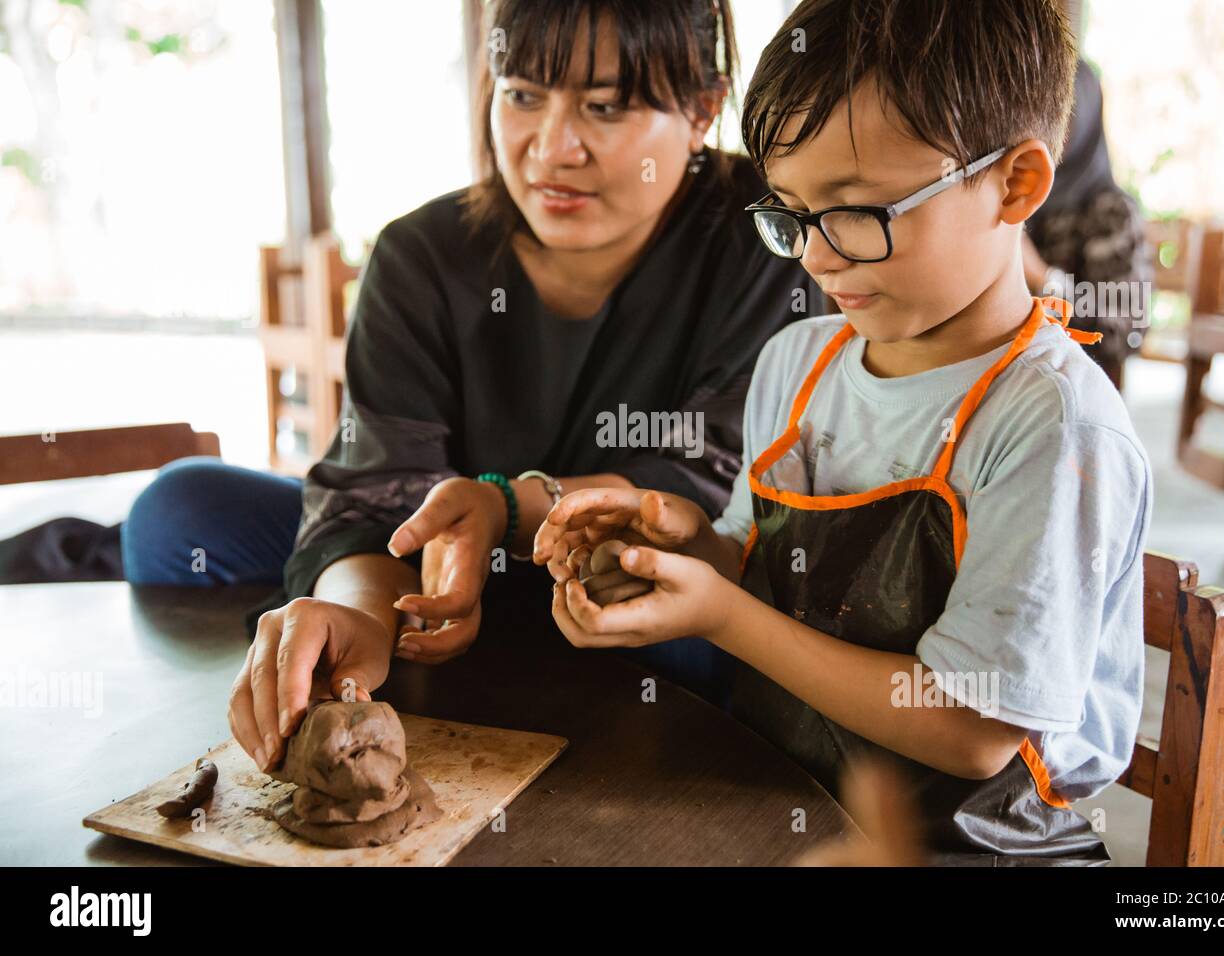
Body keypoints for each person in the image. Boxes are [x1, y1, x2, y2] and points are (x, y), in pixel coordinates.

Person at [119, 0, 825, 773]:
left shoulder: (768, 239)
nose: (552, 149)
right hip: (432, 571)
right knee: (179, 515)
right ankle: (383, 652)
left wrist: (500, 508)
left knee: (668, 600)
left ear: (702, 111)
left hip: (608, 569)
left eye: (605, 106)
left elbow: (707, 481)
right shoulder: (423, 254)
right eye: (522, 94)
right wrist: (360, 617)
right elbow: (378, 489)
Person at [533, 0, 1153, 864]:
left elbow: (973, 730)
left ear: (1015, 184)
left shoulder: (1050, 422)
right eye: (790, 211)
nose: (817, 256)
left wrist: (721, 618)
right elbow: (753, 564)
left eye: (858, 211)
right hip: (789, 803)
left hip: (973, 847)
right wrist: (682, 546)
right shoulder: (800, 362)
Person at [1021, 58, 1151, 390]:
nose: (1048, 127)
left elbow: (1124, 330)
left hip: (1071, 389)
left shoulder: (1109, 211)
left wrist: (1041, 276)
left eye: (1064, 113)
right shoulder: (1008, 192)